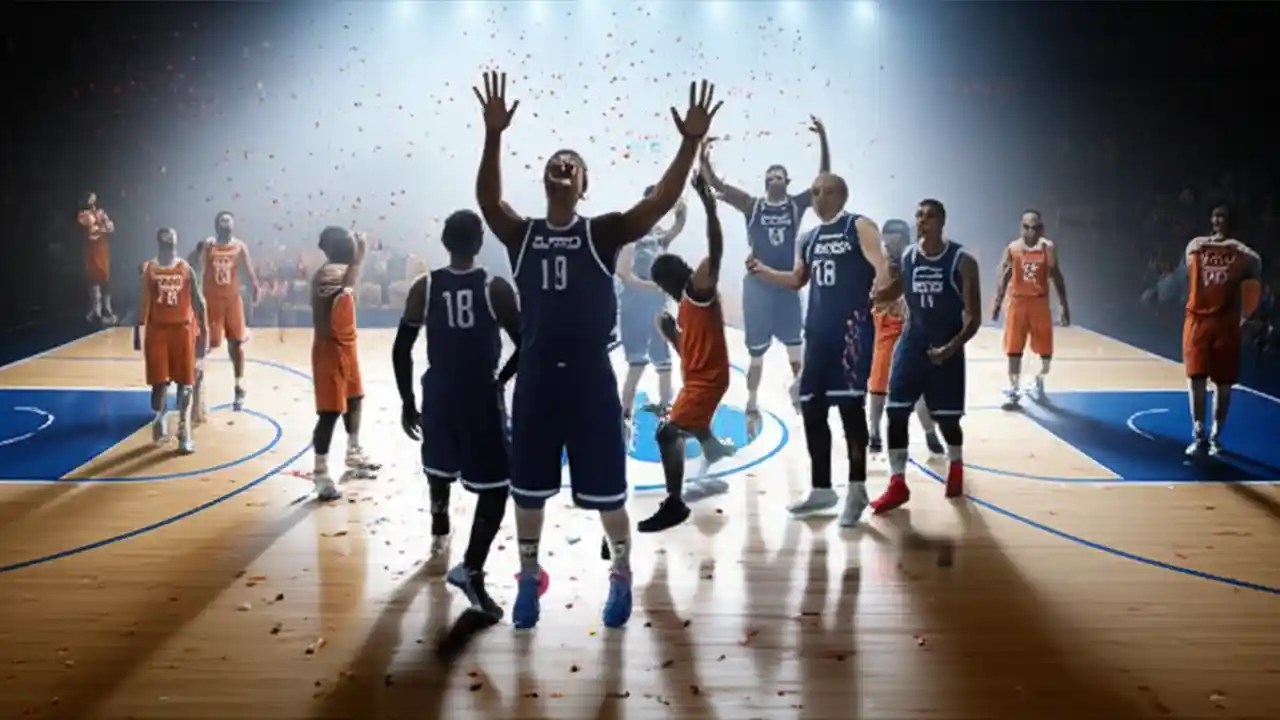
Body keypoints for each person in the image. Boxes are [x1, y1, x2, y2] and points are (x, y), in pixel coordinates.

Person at [472, 69, 720, 629]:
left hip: (588, 379)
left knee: (608, 493)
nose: (562, 165)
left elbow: (658, 205)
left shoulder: (602, 233)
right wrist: (494, 134)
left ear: (584, 184)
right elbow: (488, 198)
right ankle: (529, 576)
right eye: (554, 161)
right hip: (536, 379)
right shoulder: (523, 233)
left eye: (572, 163)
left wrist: (689, 142)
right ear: (544, 181)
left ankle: (622, 572)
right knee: (528, 490)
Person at [392, 210, 522, 621]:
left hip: (440, 391)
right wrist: (501, 378)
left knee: (438, 466)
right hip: (479, 395)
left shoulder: (424, 286)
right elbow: (526, 343)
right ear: (480, 243)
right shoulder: (495, 287)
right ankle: (470, 566)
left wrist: (407, 400)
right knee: (498, 485)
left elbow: (401, 348)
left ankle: (439, 529)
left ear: (445, 242)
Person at [747, 173, 890, 526]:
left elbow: (882, 266)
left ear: (842, 194)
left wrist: (885, 294)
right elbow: (798, 280)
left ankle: (857, 490)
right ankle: (822, 488)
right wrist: (764, 271)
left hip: (851, 332)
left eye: (827, 192)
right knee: (811, 408)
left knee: (849, 410)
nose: (819, 198)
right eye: (814, 192)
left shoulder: (858, 226)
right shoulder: (808, 237)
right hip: (819, 333)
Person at [699, 117, 830, 420]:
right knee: (756, 356)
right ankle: (752, 402)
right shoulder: (752, 205)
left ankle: (801, 394)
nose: (775, 177)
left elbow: (823, 179)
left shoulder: (796, 205)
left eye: (780, 174)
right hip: (758, 286)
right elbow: (717, 185)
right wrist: (703, 158)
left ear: (787, 181)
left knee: (796, 352)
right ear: (765, 182)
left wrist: (823, 139)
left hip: (785, 284)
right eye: (770, 174)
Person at [639, 170, 737, 532]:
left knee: (668, 433)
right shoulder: (684, 306)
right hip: (700, 377)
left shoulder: (698, 290)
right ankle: (712, 447)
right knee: (688, 419)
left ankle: (675, 503)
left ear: (675, 275)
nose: (662, 287)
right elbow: (689, 354)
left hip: (707, 382)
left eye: (663, 281)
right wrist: (670, 336)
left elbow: (716, 250)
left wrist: (709, 206)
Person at [872, 199, 981, 514]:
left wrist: (949, 349)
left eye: (930, 216)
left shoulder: (963, 261)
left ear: (942, 221)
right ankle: (897, 483)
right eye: (918, 215)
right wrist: (881, 295)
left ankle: (956, 464)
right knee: (895, 411)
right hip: (912, 342)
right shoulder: (908, 255)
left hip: (946, 344)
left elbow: (973, 319)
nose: (923, 220)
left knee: (947, 420)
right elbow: (900, 289)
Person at [1142, 206, 1262, 456]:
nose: (1218, 220)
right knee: (1195, 377)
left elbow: (1254, 281)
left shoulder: (1245, 254)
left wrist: (1246, 315)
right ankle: (1198, 432)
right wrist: (1160, 293)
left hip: (1225, 322)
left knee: (1223, 382)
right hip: (1197, 319)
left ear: (1231, 222)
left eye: (1224, 216)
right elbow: (1182, 276)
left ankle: (1217, 433)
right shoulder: (1195, 246)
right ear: (1210, 221)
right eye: (1215, 216)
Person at [308, 227, 380, 501]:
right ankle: (321, 473)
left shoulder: (343, 270)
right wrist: (360, 259)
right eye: (351, 243)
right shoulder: (328, 274)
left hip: (347, 345)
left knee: (356, 398)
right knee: (329, 413)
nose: (355, 245)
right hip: (329, 350)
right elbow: (343, 292)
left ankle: (353, 452)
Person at [867, 218, 945, 456]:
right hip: (882, 329)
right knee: (878, 383)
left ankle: (930, 432)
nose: (891, 246)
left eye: (895, 242)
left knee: (916, 387)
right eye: (888, 242)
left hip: (909, 329)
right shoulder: (876, 265)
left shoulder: (914, 262)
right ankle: (874, 432)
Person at [616, 188, 687, 423]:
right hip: (636, 309)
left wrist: (681, 208)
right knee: (637, 362)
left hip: (656, 308)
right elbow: (624, 273)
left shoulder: (659, 236)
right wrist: (655, 287)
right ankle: (625, 413)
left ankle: (666, 407)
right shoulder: (632, 237)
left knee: (663, 360)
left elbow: (677, 226)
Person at [134, 228, 207, 454]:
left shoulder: (185, 269)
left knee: (186, 383)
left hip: (182, 331)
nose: (170, 247)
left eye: (173, 243)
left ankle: (184, 428)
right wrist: (137, 330)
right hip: (158, 331)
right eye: (166, 244)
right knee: (159, 384)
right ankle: (160, 416)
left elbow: (198, 300)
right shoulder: (151, 270)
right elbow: (144, 302)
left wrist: (204, 330)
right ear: (159, 245)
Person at [992, 209, 1070, 405]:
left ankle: (1039, 379)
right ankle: (1014, 387)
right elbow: (1004, 275)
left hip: (1039, 303)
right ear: (1021, 228)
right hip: (1018, 302)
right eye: (1027, 227)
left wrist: (1064, 305)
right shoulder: (1013, 248)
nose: (1031, 231)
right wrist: (997, 301)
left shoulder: (1047, 248)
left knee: (1046, 353)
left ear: (1041, 229)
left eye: (1035, 227)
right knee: (1013, 348)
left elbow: (1056, 276)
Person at [190, 211, 260, 418]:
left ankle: (239, 385)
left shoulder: (239, 246)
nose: (226, 223)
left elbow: (248, 271)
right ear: (216, 224)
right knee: (205, 345)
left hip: (232, 300)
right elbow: (193, 265)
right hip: (211, 301)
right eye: (222, 220)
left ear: (233, 224)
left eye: (229, 219)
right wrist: (199, 248)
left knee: (236, 343)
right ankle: (196, 391)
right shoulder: (209, 246)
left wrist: (255, 287)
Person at [78, 192, 116, 324]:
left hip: (102, 248)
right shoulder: (83, 215)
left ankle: (107, 309)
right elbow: (91, 229)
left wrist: (103, 224)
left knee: (105, 277)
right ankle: (96, 311)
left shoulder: (101, 212)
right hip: (91, 249)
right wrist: (101, 226)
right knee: (92, 278)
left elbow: (110, 227)